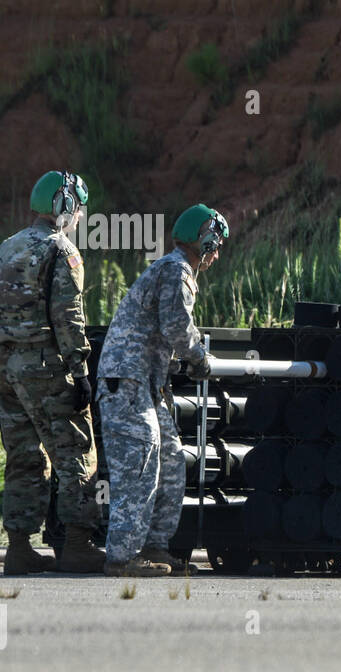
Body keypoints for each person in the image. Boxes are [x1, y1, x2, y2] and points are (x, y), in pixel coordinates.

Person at [0, 170, 106, 575]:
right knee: (75, 451)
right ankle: (77, 544)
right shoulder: (62, 250)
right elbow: (68, 317)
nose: (79, 217)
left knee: (23, 458)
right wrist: (80, 370)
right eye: (78, 208)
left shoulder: (6, 248)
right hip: (45, 367)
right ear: (64, 206)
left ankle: (19, 548)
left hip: (4, 368)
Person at [96, 204, 227, 577]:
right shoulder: (176, 269)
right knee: (142, 459)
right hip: (128, 380)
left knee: (170, 457)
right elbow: (177, 327)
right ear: (203, 242)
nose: (216, 255)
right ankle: (122, 556)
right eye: (215, 246)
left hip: (146, 384)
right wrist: (200, 358)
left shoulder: (176, 270)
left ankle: (155, 546)